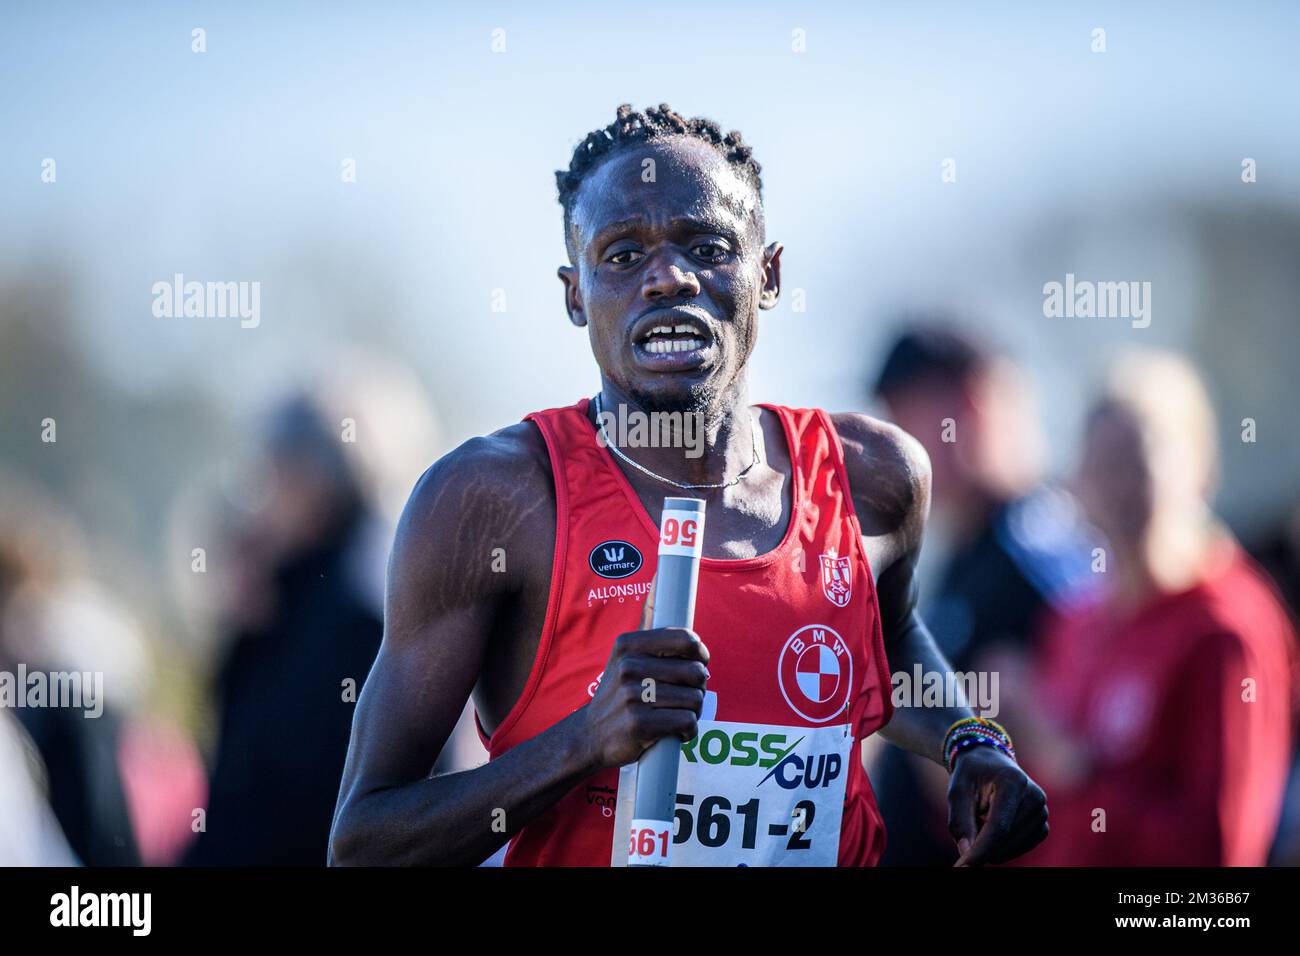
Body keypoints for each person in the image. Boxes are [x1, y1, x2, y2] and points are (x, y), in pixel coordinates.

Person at [329, 104, 1047, 867]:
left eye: (707, 246)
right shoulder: (494, 501)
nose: (669, 277)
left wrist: (969, 740)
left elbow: (887, 639)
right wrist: (581, 743)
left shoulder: (873, 477)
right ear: (575, 296)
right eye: (622, 254)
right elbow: (365, 842)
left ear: (767, 275)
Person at [1018, 351, 1296, 866]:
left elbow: (1221, 854)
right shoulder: (1073, 624)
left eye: (1137, 462)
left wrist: (1077, 770)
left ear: (1201, 470)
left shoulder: (1225, 627)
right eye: (1103, 464)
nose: (1120, 487)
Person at [868, 325, 1094, 865]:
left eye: (911, 415)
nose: (896, 442)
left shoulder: (1035, 547)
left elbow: (1085, 725)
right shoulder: (961, 548)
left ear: (975, 405)